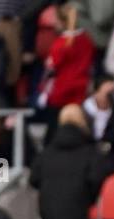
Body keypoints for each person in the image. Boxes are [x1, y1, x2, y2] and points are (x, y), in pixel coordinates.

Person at [36, 3, 95, 135]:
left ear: (61, 22)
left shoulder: (60, 44)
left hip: (60, 95)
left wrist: (43, 91)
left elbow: (50, 69)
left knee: (54, 132)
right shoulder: (86, 40)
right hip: (80, 93)